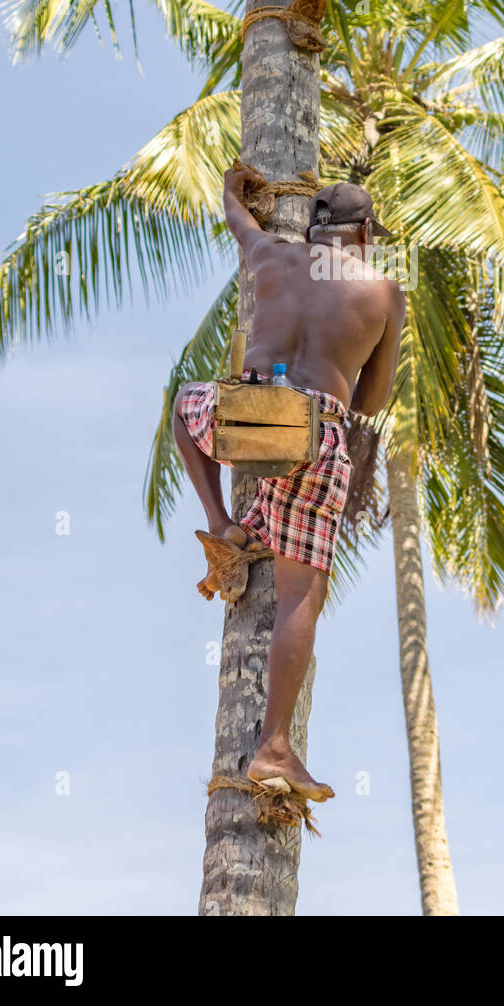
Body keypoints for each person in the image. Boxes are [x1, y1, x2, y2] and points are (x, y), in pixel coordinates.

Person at [173, 164, 405, 801]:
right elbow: (369, 402)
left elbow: (239, 221)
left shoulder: (270, 252)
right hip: (312, 430)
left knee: (185, 403)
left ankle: (222, 525)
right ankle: (274, 746)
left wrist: (229, 188)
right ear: (360, 236)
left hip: (248, 414)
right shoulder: (383, 290)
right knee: (302, 593)